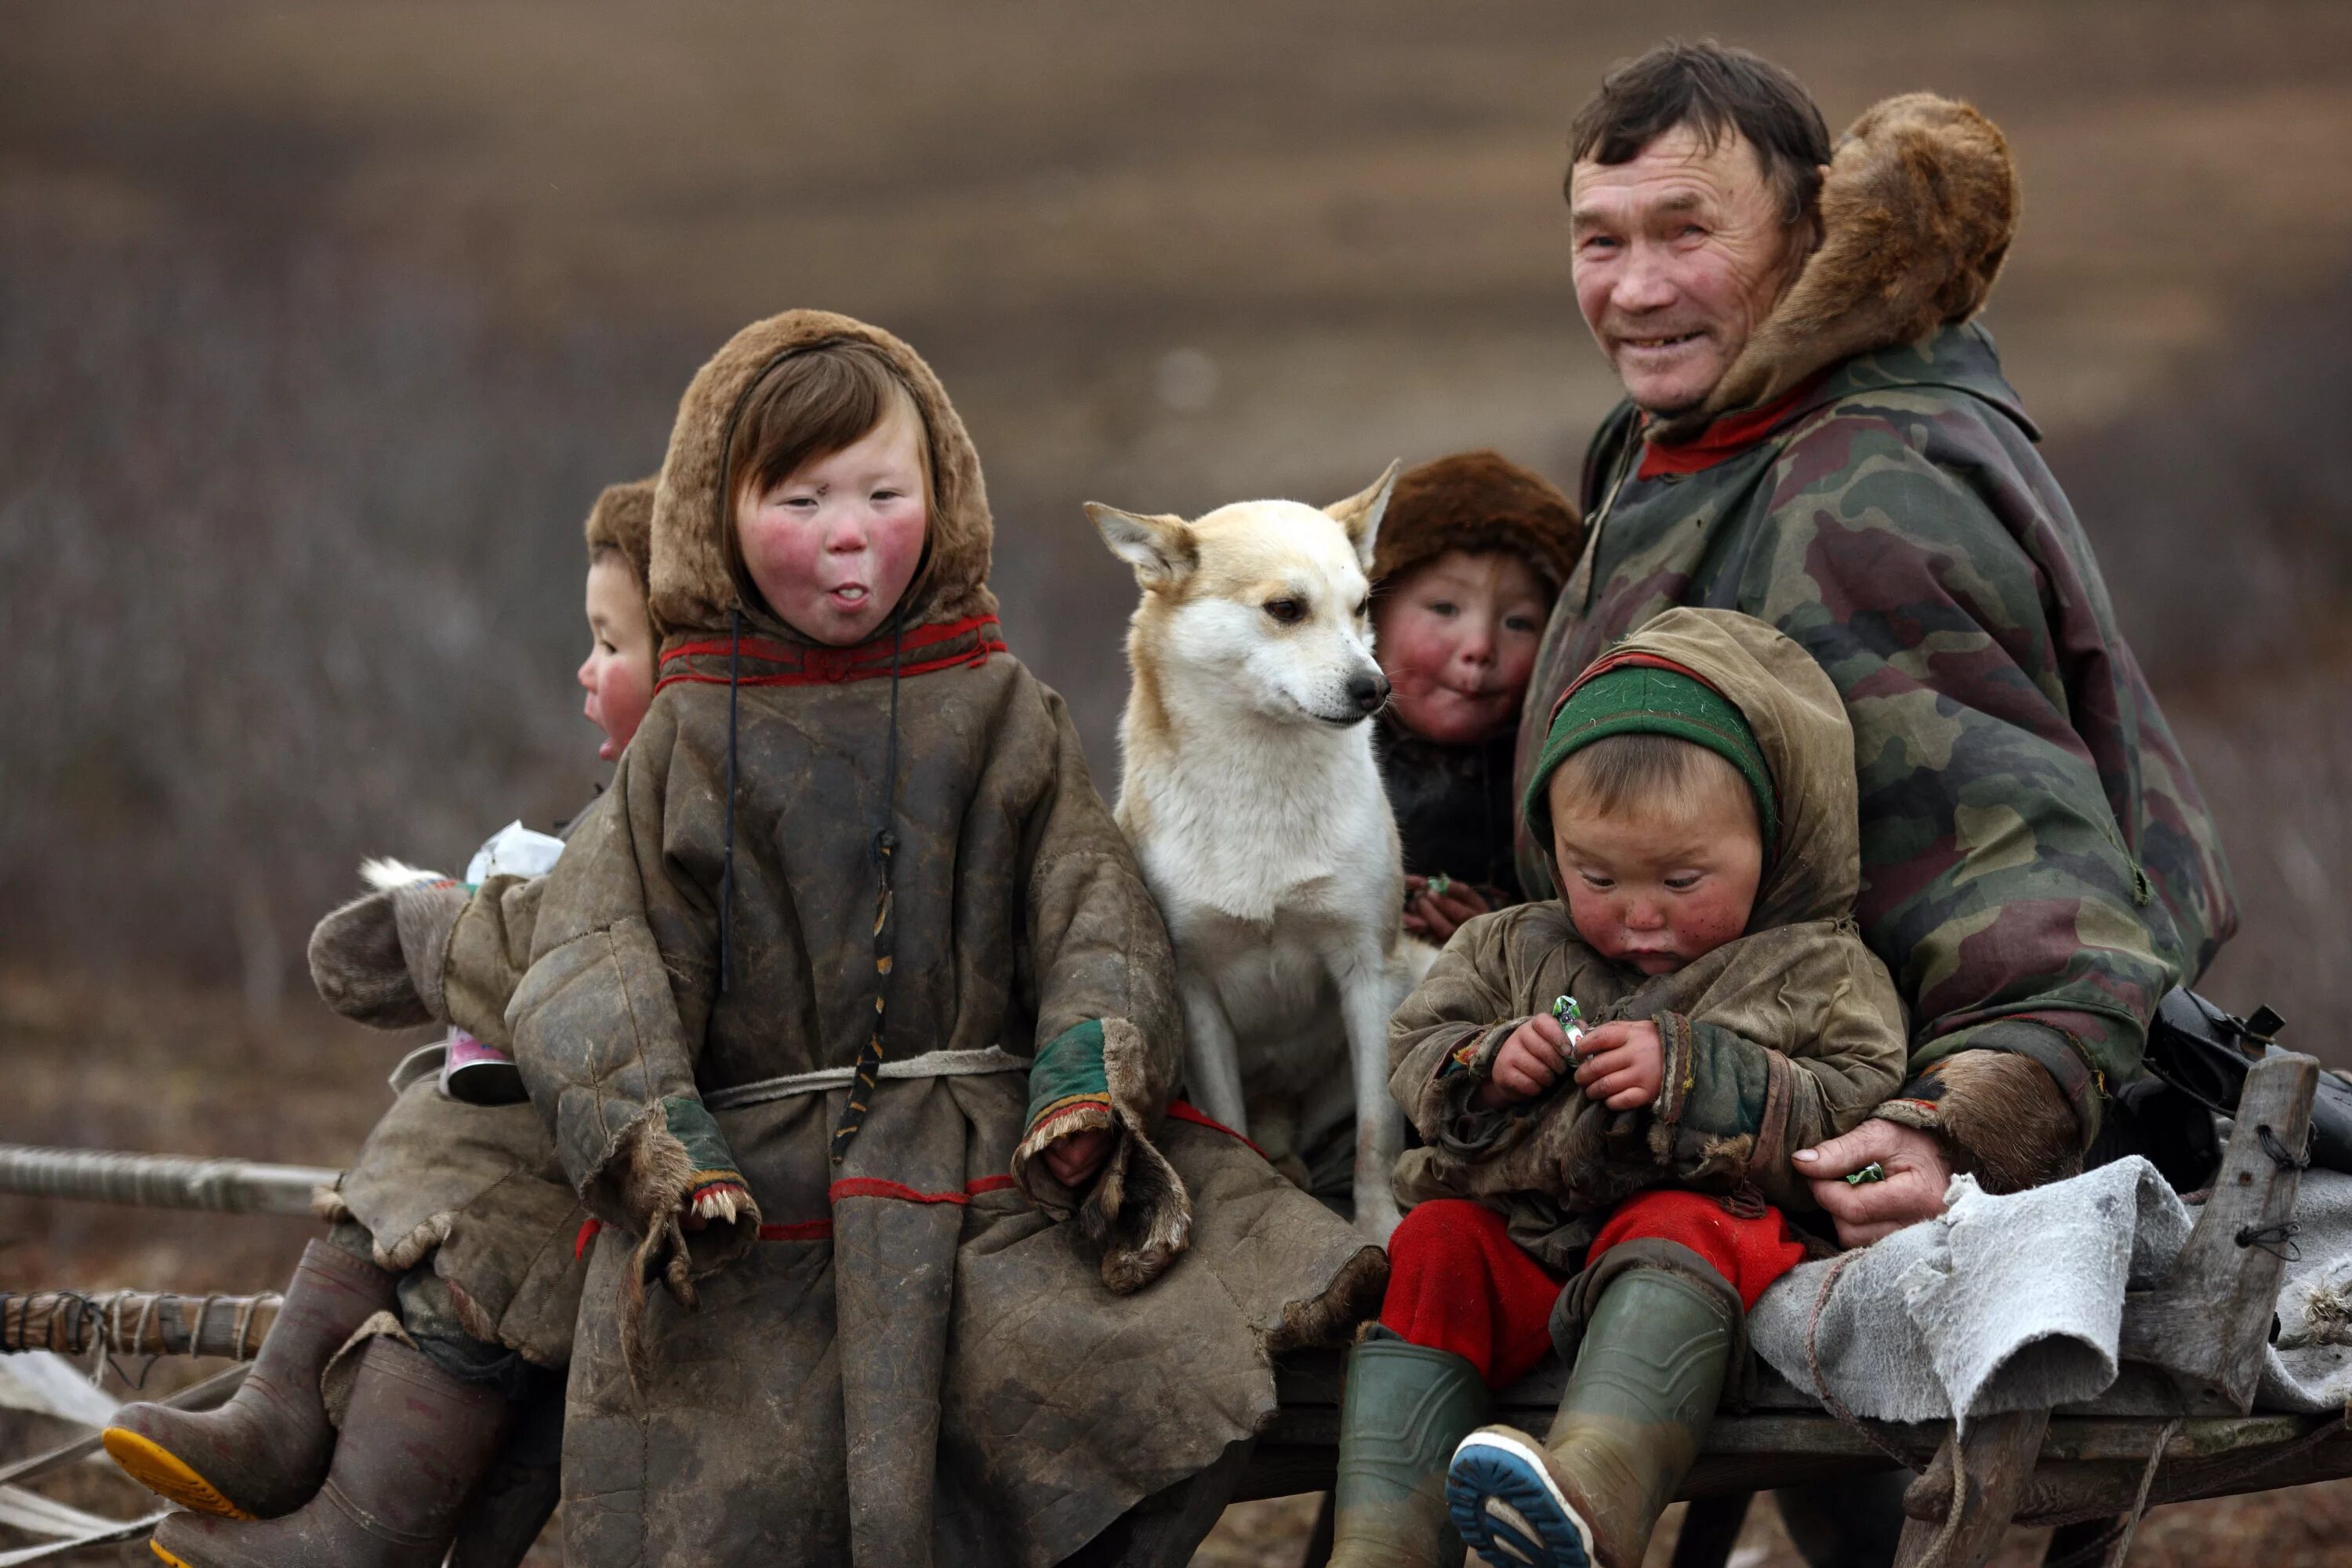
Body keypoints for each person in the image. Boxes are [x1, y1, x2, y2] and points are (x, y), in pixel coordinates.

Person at [504, 310, 1383, 1566]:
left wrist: (1089, 1076)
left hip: (999, 1161)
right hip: (747, 1190)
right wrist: (658, 1140)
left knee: (1175, 1368)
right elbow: (592, 950)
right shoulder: (687, 739)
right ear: (713, 514)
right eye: (799, 498)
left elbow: (1095, 903)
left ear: (945, 496)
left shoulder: (1001, 710)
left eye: (883, 490)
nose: (849, 531)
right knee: (737, 1467)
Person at [1525, 42, 2234, 1254]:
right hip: (1682, 1078)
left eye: (1686, 232)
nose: (1637, 290)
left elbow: (2013, 868)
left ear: (1813, 235)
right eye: (1603, 240)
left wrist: (1957, 1123)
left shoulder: (1852, 485)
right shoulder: (1691, 431)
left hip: (1813, 1132)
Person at [110, 479, 661, 1568]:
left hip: (644, 1152)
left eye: (611, 643)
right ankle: (275, 1425)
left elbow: (613, 982)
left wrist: (441, 934)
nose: (586, 672)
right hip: (589, 1111)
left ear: (690, 658)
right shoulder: (636, 802)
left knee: (488, 1237)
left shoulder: (691, 808)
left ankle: (366, 1535)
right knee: (430, 1121)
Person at [1328, 608, 1906, 1567]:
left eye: (1683, 880)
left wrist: (1696, 1073)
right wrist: (1487, 1062)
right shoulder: (1513, 941)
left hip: (1694, 1272)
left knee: (1683, 1225)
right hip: (1525, 1244)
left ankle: (1593, 1496)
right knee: (1433, 1241)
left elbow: (1855, 1104)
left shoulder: (1817, 968)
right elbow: (1417, 1044)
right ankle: (1384, 1541)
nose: (1639, 915)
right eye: (1596, 874)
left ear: (1774, 841)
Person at [1370, 452, 1583, 945]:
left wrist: (1502, 923)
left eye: (1519, 623)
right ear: (1372, 609)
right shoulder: (1312, 745)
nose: (1481, 647)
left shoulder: (1558, 773)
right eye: (1445, 608)